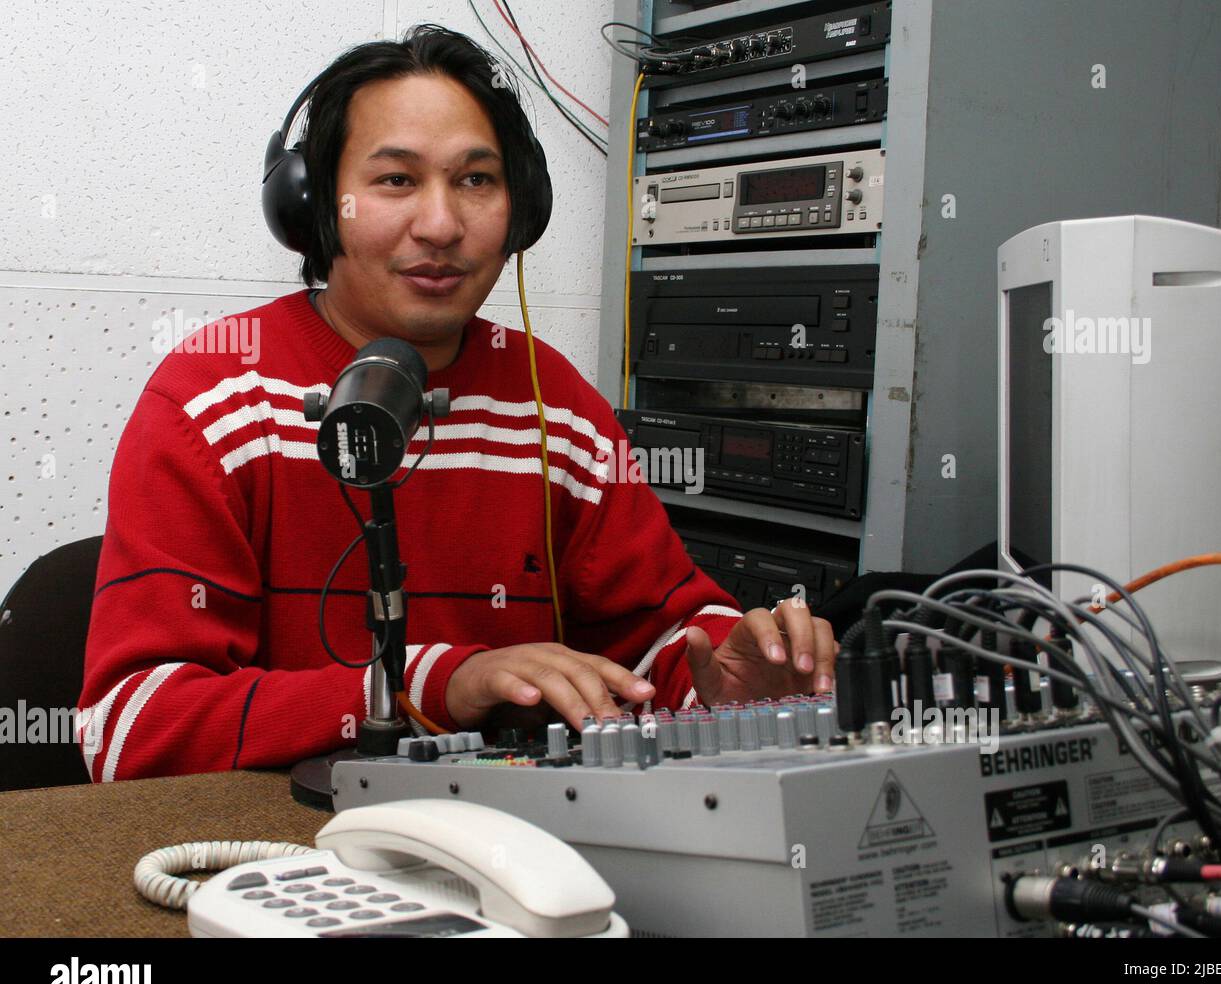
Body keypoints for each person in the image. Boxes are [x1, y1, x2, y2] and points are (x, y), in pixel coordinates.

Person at [77, 24, 836, 782]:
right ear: (314, 206)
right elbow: (132, 726)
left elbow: (663, 640)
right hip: (273, 864)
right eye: (396, 181)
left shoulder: (557, 407)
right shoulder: (213, 399)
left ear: (521, 206)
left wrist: (732, 674)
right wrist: (429, 688)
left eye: (476, 180)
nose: (441, 226)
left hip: (513, 856)